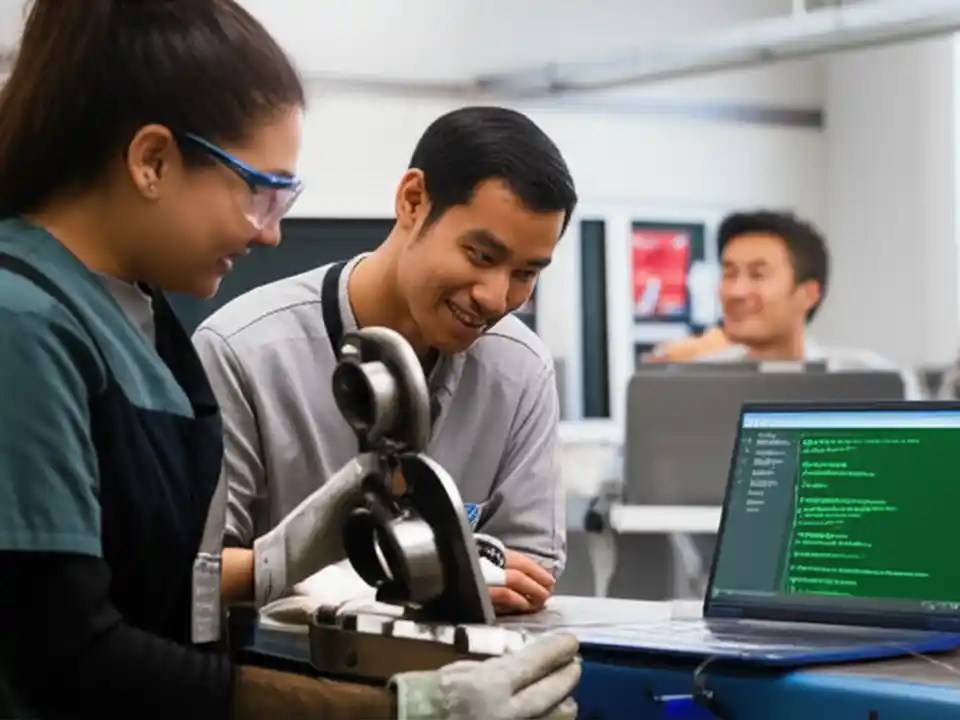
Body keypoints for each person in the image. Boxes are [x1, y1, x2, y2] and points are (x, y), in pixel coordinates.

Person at [0, 2, 579, 718]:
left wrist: (285, 559)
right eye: (260, 192)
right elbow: (70, 654)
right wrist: (398, 710)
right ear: (153, 162)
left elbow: (150, 587)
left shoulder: (140, 323)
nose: (271, 235)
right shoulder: (24, 324)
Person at [194, 106, 576, 616]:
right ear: (413, 201)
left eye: (526, 274)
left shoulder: (521, 370)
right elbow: (191, 574)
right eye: (481, 256)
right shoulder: (242, 353)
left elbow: (528, 573)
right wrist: (383, 578)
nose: (495, 296)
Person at [698, 210, 829, 362]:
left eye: (757, 275)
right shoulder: (701, 370)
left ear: (807, 295)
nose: (736, 292)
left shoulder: (843, 374)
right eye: (729, 274)